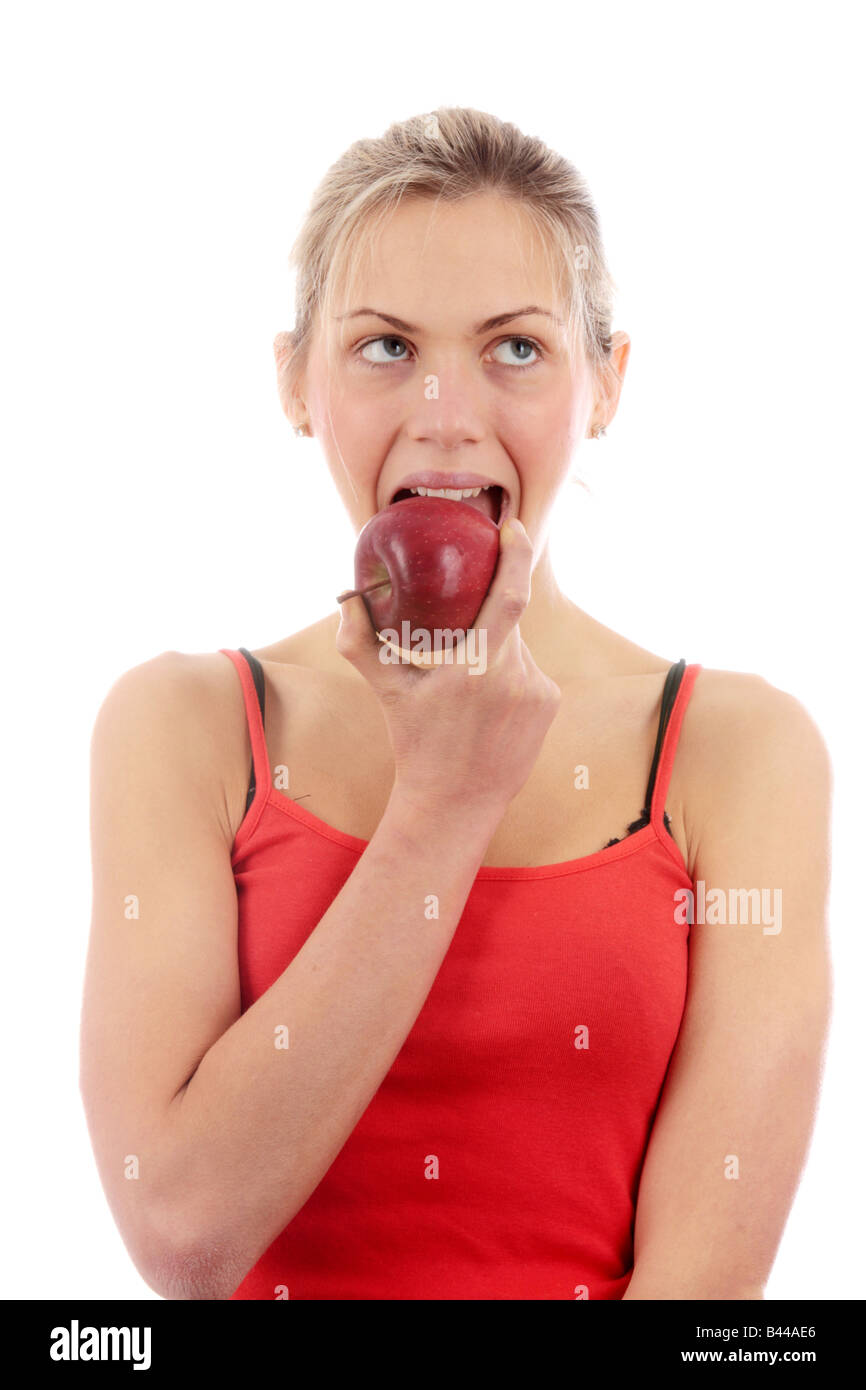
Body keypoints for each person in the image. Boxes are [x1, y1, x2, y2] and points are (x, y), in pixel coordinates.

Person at [79, 106, 832, 1301]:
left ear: (604, 385)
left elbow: (704, 1311)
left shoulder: (739, 752)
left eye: (515, 349)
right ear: (293, 381)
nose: (444, 412)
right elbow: (182, 1232)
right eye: (384, 346)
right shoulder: (185, 727)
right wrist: (443, 801)